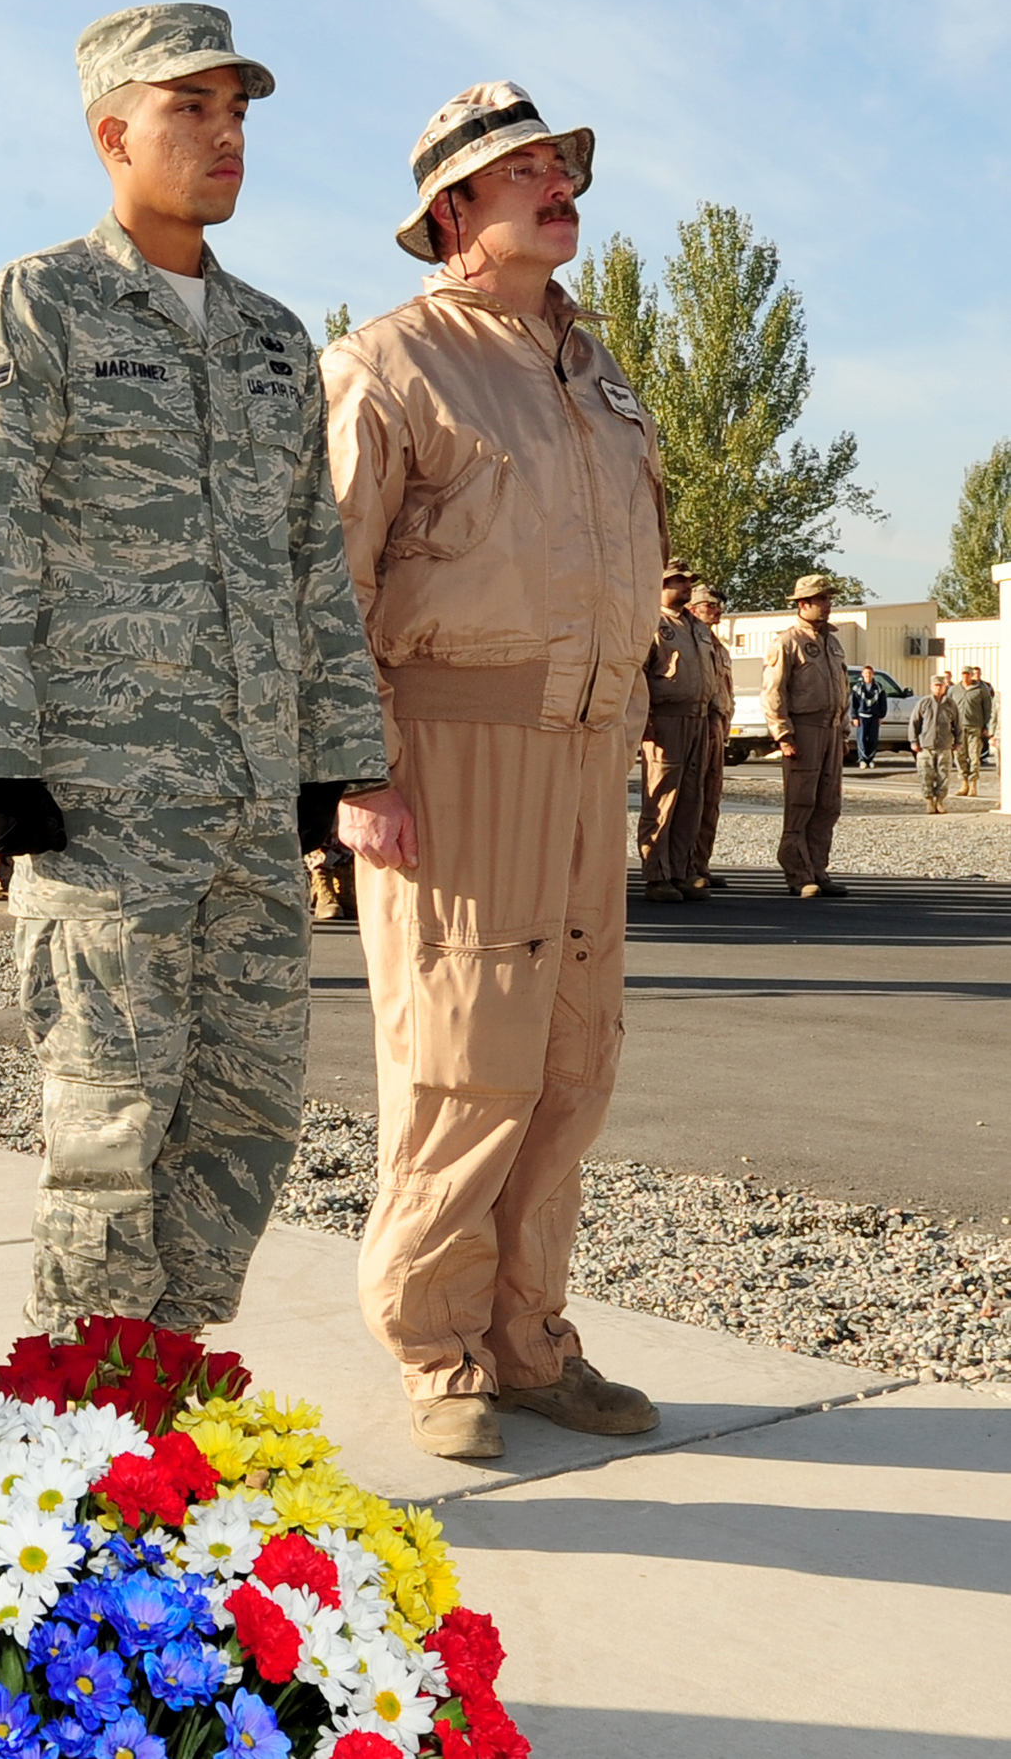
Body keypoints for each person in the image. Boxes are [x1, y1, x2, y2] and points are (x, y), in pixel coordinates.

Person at [0, 4, 388, 1341]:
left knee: (245, 1113)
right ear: (111, 133)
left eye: (238, 110)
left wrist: (334, 753)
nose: (226, 134)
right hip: (102, 803)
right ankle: (84, 1414)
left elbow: (311, 556)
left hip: (248, 802)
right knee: (111, 1121)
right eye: (193, 107)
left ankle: (170, 1382)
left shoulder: (274, 338)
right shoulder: (38, 306)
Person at [321, 81, 664, 1460]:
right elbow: (324, 585)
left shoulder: (597, 371)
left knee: (571, 1059)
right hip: (451, 750)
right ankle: (438, 1346)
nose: (556, 183)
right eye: (523, 169)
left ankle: (530, 1339)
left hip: (585, 748)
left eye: (561, 164)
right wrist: (355, 768)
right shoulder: (389, 362)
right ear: (453, 207)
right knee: (465, 1059)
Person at [637, 563, 721, 903]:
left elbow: (711, 674)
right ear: (660, 585)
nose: (686, 587)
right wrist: (643, 718)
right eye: (678, 582)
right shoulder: (650, 622)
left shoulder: (697, 627)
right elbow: (638, 674)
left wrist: (713, 716)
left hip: (698, 718)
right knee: (662, 798)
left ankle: (681, 871)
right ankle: (657, 875)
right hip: (666, 719)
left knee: (691, 799)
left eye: (688, 582)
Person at [764, 576, 850, 897]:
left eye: (828, 599)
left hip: (830, 729)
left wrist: (843, 731)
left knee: (828, 804)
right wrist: (783, 734)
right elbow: (774, 691)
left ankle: (818, 869)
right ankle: (798, 873)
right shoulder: (787, 642)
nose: (828, 605)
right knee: (801, 802)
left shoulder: (833, 642)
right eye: (821, 599)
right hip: (804, 729)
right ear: (803, 604)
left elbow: (843, 689)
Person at [685, 584, 733, 891]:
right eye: (710, 606)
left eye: (718, 606)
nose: (717, 611)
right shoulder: (689, 641)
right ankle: (685, 865)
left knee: (711, 799)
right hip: (697, 721)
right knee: (692, 798)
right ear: (693, 609)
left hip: (717, 724)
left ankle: (701, 863)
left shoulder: (718, 646)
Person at [911, 672, 962, 816]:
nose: (938, 688)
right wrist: (914, 741)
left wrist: (958, 742)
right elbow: (914, 723)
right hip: (926, 747)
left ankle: (940, 801)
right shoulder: (923, 703)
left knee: (943, 775)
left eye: (941, 685)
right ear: (931, 687)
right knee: (925, 775)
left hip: (944, 746)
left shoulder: (951, 704)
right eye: (936, 685)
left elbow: (958, 725)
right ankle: (929, 801)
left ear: (945, 687)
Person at [957, 663, 995, 796]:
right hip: (959, 728)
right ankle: (964, 783)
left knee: (974, 756)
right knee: (960, 756)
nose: (965, 677)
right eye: (963, 674)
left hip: (975, 727)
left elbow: (988, 709)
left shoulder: (981, 690)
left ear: (972, 675)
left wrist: (987, 727)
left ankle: (973, 784)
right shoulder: (954, 690)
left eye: (968, 674)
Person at [849, 666, 888, 770]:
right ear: (862, 674)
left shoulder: (878, 687)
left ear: (873, 674)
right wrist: (854, 717)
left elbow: (883, 703)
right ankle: (862, 760)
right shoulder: (857, 688)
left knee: (873, 739)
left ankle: (870, 759)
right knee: (861, 739)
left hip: (874, 717)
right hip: (861, 716)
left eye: (870, 673)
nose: (868, 675)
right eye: (866, 673)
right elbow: (854, 703)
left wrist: (881, 716)